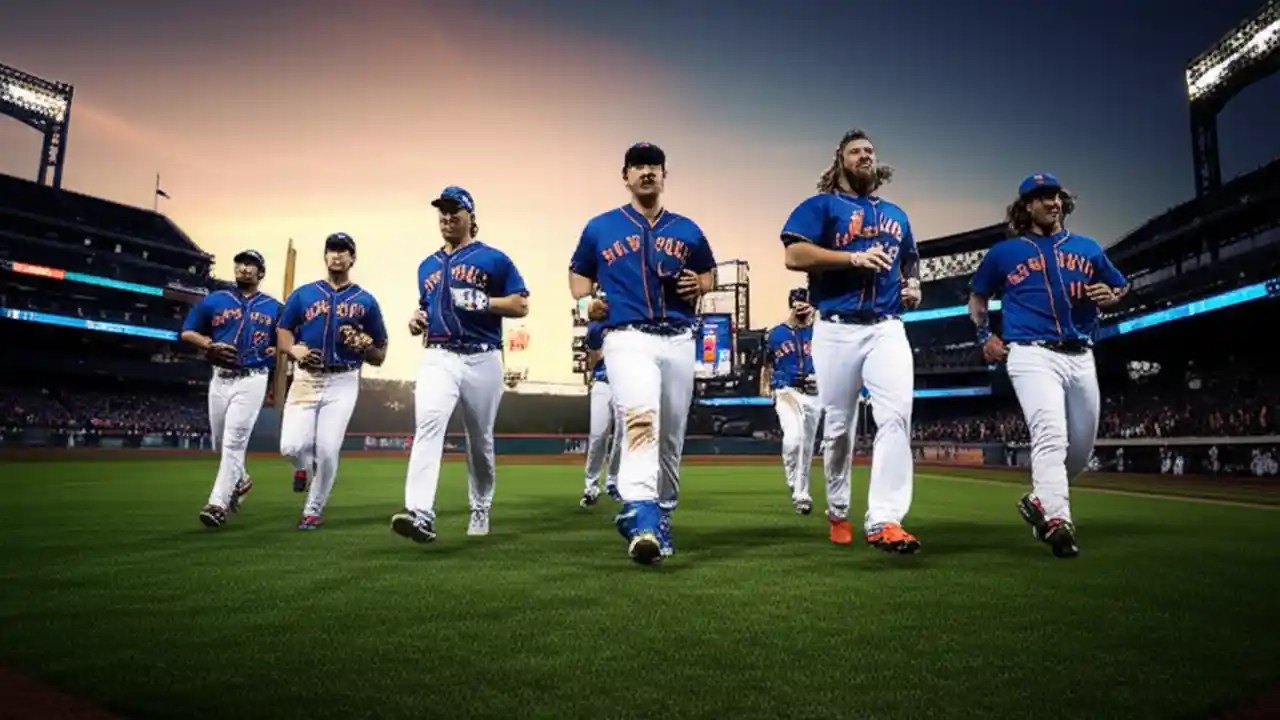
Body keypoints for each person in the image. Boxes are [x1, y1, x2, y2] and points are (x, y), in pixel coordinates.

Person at [568, 142, 717, 564]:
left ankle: (660, 516)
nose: (646, 172)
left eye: (653, 165)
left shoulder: (687, 229)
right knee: (640, 418)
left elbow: (708, 272)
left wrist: (701, 285)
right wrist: (585, 305)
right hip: (626, 335)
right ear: (626, 176)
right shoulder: (601, 227)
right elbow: (578, 275)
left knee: (670, 436)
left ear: (664, 175)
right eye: (638, 166)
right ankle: (641, 513)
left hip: (680, 337)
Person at [968, 172, 1128, 558]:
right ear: (1026, 207)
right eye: (1041, 198)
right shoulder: (1004, 253)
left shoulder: (1088, 248)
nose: (1051, 203)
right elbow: (977, 299)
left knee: (1080, 451)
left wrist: (1112, 295)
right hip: (1030, 352)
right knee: (1050, 435)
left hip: (1081, 353)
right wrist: (984, 336)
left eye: (1055, 196)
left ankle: (1041, 499)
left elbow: (1121, 286)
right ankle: (1057, 521)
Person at [779, 128, 922, 554]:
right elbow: (794, 255)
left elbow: (911, 259)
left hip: (887, 326)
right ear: (839, 161)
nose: (865, 155)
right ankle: (838, 510)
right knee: (839, 429)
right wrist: (852, 257)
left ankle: (885, 519)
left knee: (896, 416)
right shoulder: (820, 205)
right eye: (856, 151)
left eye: (870, 151)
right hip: (837, 326)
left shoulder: (897, 214)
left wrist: (913, 285)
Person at [391, 186, 529, 544]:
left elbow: (521, 305)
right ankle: (420, 513)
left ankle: (480, 505)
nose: (447, 217)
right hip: (439, 355)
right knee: (428, 426)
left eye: (455, 211)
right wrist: (416, 320)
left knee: (479, 440)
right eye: (442, 212)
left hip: (483, 356)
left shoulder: (493, 259)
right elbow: (424, 307)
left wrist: (485, 302)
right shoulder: (427, 265)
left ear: (471, 217)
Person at [277, 232, 389, 530]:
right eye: (332, 250)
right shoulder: (304, 294)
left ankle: (313, 509)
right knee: (290, 446)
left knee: (327, 449)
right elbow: (283, 330)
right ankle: (301, 467)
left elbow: (380, 353)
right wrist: (292, 349)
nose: (337, 256)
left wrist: (366, 347)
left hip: (343, 380)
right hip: (305, 378)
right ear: (325, 256)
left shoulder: (365, 301)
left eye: (343, 251)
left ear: (353, 258)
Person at [180, 249, 282, 528]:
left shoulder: (274, 307)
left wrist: (276, 350)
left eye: (252, 265)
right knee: (219, 444)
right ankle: (242, 479)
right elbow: (187, 331)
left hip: (252, 377)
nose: (245, 268)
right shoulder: (215, 300)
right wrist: (208, 345)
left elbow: (282, 342)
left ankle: (217, 505)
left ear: (261, 273)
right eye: (240, 263)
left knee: (234, 442)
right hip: (220, 377)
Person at [765, 287, 821, 515]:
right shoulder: (775, 334)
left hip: (813, 392)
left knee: (806, 447)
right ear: (791, 304)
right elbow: (767, 364)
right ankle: (794, 483)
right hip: (786, 391)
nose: (801, 308)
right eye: (797, 303)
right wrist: (767, 387)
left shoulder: (820, 332)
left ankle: (802, 494)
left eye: (805, 304)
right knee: (793, 440)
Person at [579, 314, 623, 508]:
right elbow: (593, 352)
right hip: (602, 381)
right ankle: (591, 486)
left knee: (623, 436)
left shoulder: (632, 318)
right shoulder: (599, 322)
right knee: (598, 434)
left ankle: (614, 481)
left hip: (625, 383)